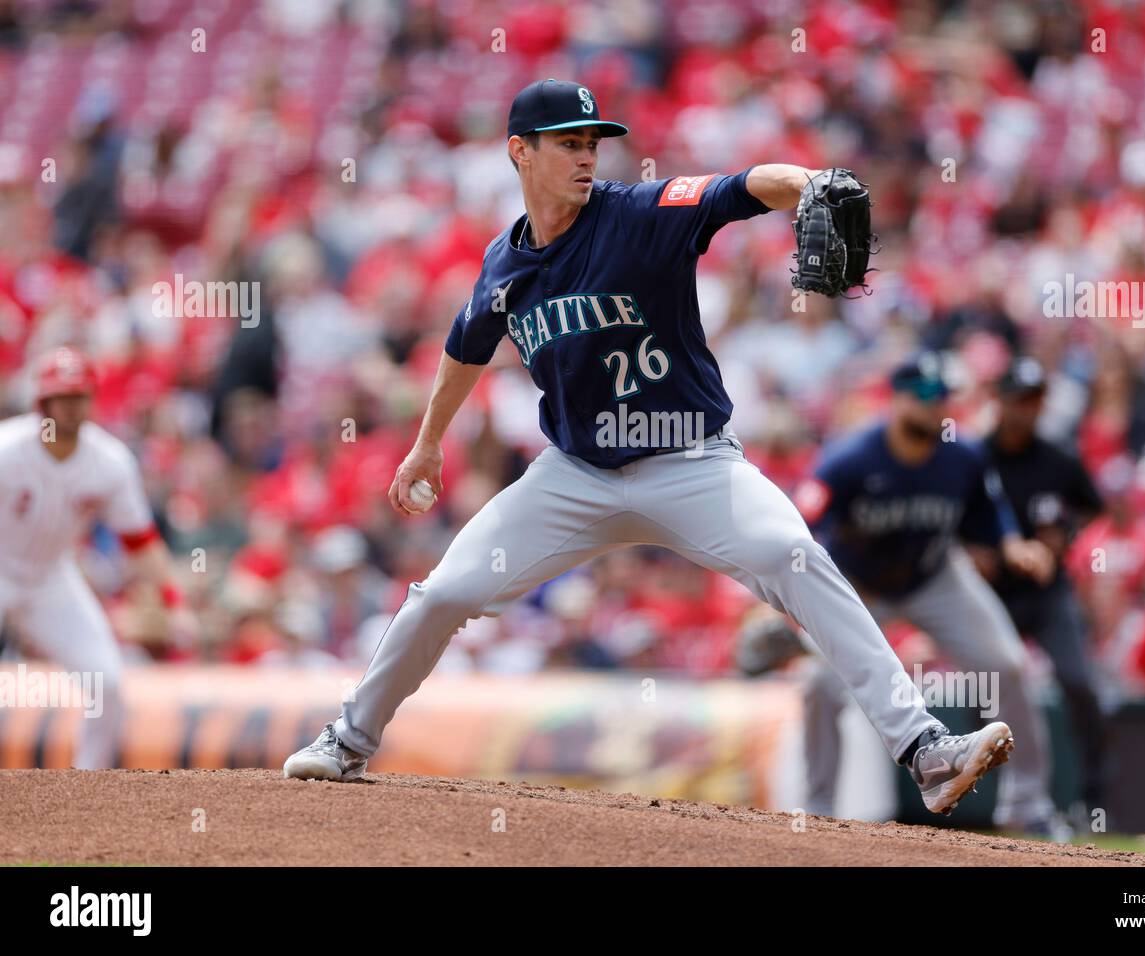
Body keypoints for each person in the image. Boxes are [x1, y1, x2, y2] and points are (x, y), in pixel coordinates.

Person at [283, 79, 1017, 817]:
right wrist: (427, 445)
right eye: (567, 142)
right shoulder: (504, 267)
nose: (586, 156)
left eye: (592, 143)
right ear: (520, 152)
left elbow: (740, 189)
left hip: (690, 461)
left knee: (796, 558)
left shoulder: (638, 213)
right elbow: (463, 348)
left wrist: (810, 183)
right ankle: (347, 740)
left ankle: (925, 750)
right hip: (574, 477)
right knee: (443, 593)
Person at [792, 353, 1066, 836]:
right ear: (895, 398)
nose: (934, 402)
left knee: (1008, 664)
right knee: (819, 685)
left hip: (936, 576)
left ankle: (1029, 804)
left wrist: (1012, 545)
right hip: (859, 586)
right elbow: (799, 524)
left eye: (940, 393)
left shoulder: (960, 456)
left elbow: (990, 510)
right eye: (922, 392)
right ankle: (817, 811)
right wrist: (795, 595)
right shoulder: (850, 458)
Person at [0, 347, 188, 767]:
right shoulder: (7, 450)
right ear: (42, 402)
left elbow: (139, 540)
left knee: (106, 681)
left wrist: (172, 600)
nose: (70, 407)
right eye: (61, 398)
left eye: (78, 396)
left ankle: (88, 787)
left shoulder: (109, 461)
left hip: (52, 579)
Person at [980, 356, 1110, 819]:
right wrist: (974, 551)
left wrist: (1067, 535)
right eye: (1021, 398)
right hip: (993, 592)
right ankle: (989, 801)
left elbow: (1093, 506)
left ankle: (1094, 798)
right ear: (999, 400)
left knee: (1079, 682)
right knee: (985, 691)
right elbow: (953, 517)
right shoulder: (976, 458)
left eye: (1036, 399)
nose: (1028, 408)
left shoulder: (1057, 459)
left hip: (1047, 591)